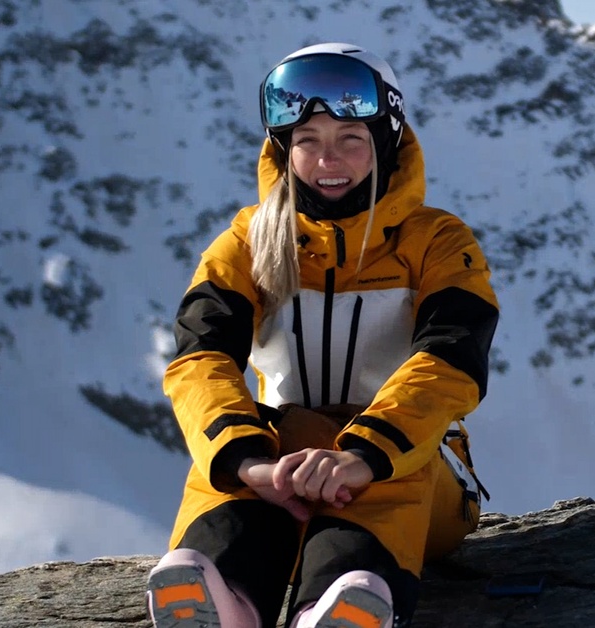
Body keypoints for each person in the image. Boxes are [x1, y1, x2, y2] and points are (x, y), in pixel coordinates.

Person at [145, 42, 500, 628]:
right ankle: (224, 600)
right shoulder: (248, 243)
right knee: (243, 450)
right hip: (284, 474)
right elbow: (199, 358)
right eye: (307, 141)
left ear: (385, 142)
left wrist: (363, 455)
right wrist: (247, 461)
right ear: (284, 149)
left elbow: (451, 360)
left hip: (413, 474)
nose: (326, 160)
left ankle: (345, 600)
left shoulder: (436, 242)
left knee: (395, 459)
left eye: (350, 140)